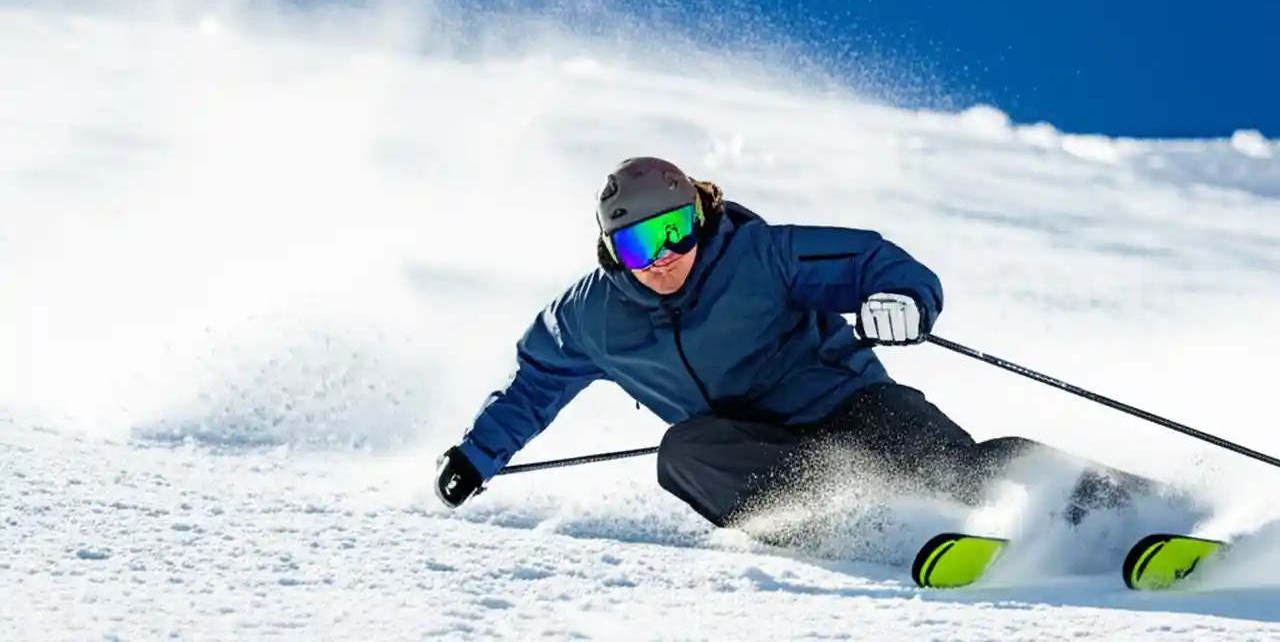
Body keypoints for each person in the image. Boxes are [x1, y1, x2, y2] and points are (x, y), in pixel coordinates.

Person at [433, 156, 1154, 535]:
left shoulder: (758, 256)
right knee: (682, 452)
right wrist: (476, 456)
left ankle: (1129, 509)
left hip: (852, 406)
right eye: (636, 245)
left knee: (957, 470)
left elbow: (871, 260)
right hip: (752, 450)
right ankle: (843, 527)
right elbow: (536, 383)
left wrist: (904, 300)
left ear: (698, 217)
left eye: (674, 231)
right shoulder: (590, 316)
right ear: (608, 250)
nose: (662, 257)